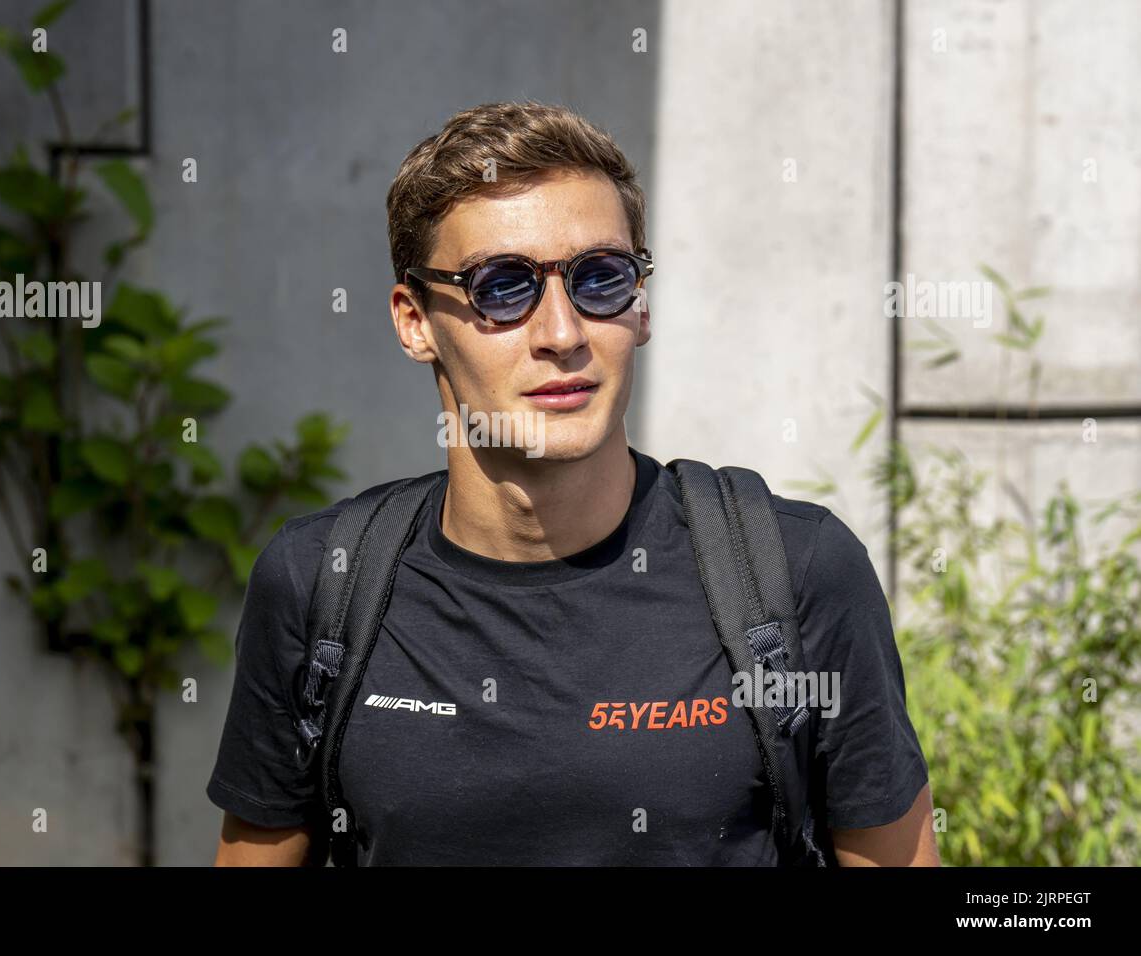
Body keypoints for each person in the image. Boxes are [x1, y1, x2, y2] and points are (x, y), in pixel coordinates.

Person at [207, 100, 939, 866]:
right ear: (415, 320)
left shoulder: (792, 573)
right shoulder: (321, 584)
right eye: (502, 286)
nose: (562, 333)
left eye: (600, 277)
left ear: (641, 304)